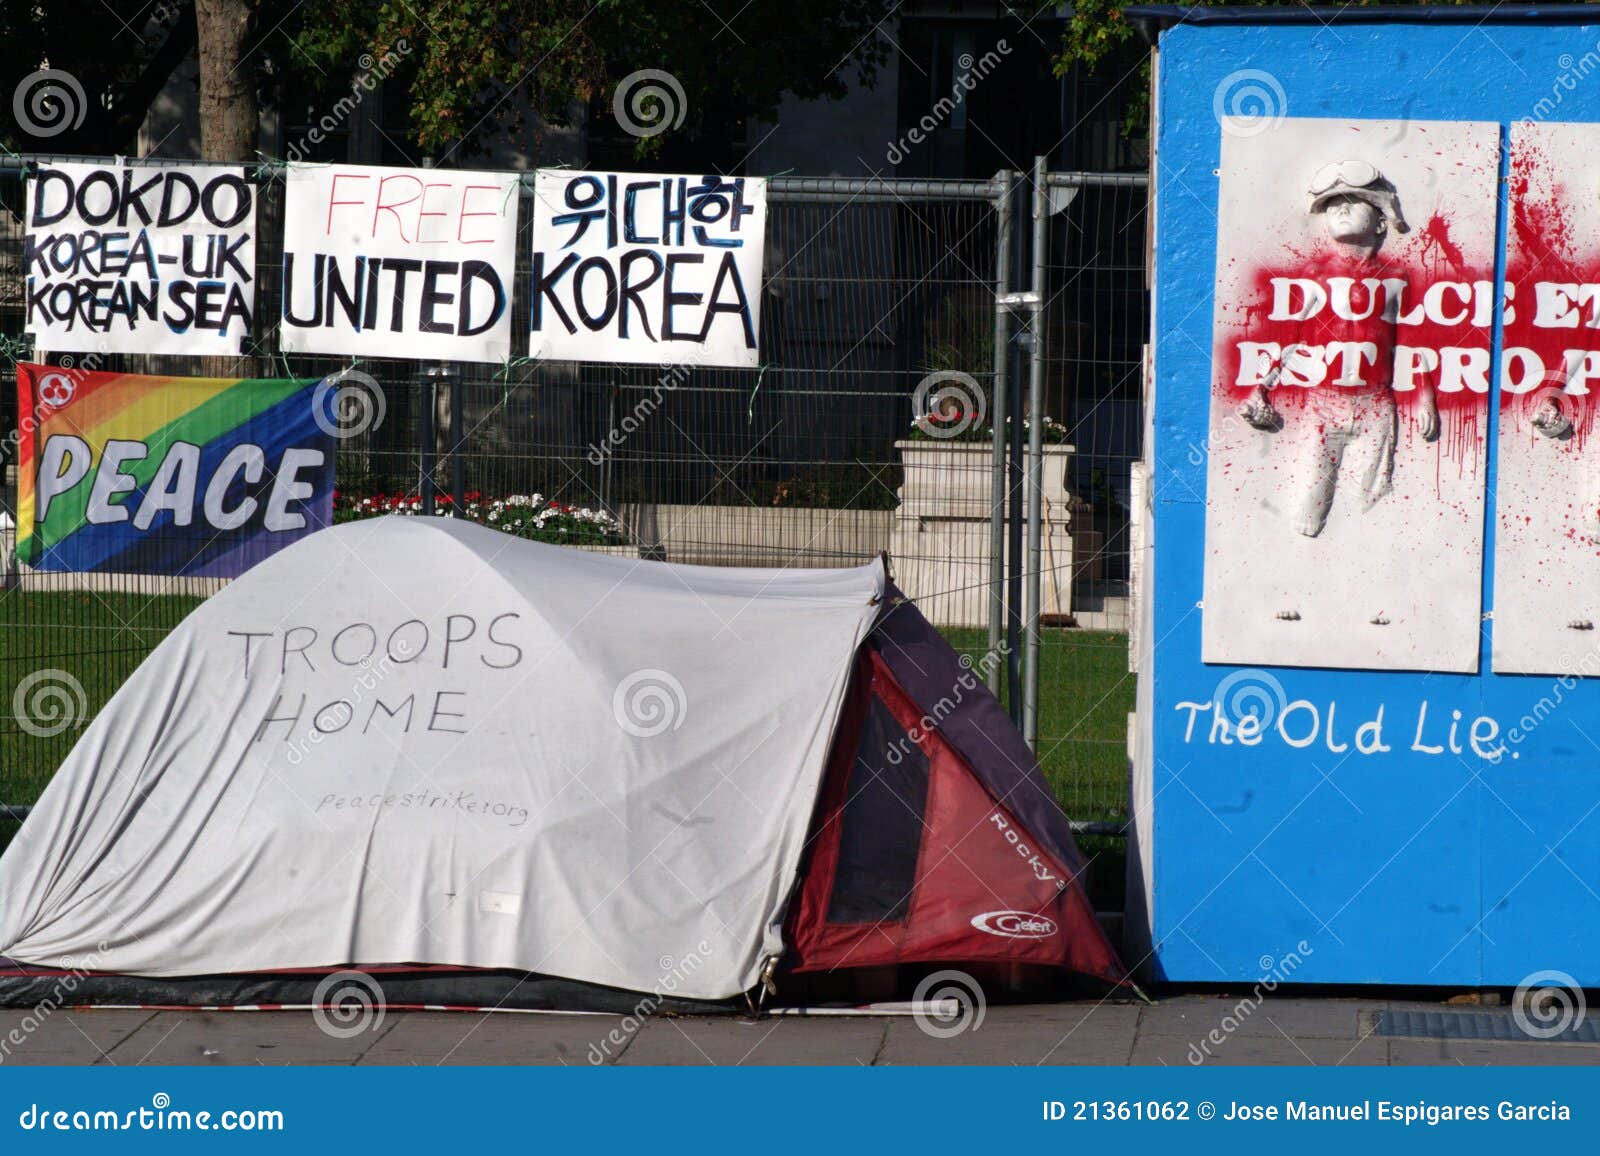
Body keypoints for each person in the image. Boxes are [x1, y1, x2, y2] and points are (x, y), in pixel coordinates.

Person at [1238, 160, 1439, 538]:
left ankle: (1372, 565)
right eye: (1333, 204)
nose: (1342, 209)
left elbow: (1411, 341)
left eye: (1354, 201)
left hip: (1376, 402)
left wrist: (1424, 395)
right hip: (1324, 401)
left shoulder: (1396, 278)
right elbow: (1290, 337)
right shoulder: (1315, 275)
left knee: (1373, 496)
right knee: (1310, 507)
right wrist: (1261, 388)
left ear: (1382, 221)